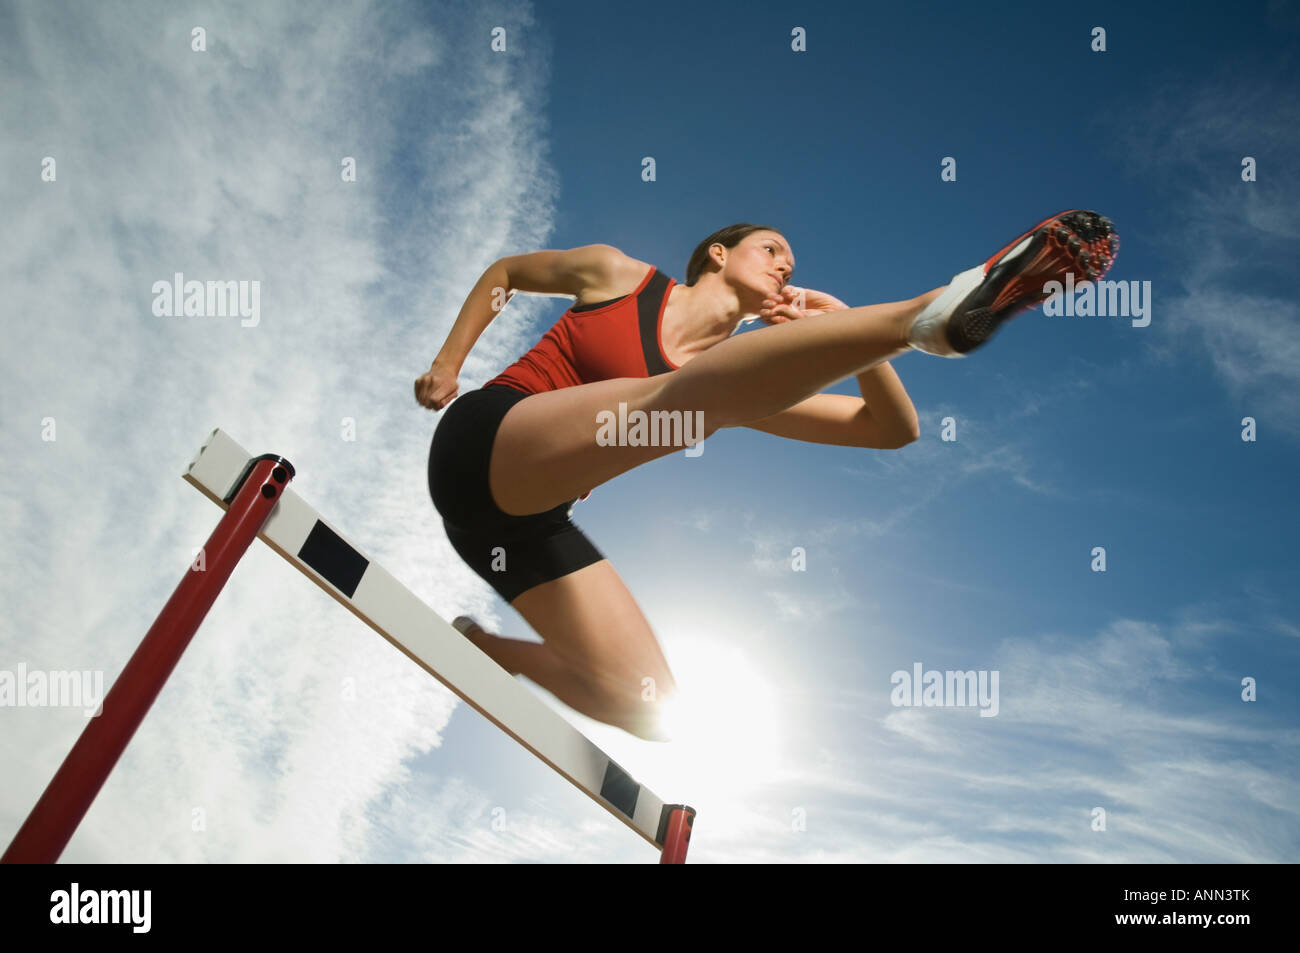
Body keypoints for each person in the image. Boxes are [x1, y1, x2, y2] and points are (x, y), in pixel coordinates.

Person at [416, 211, 1118, 741]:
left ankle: (483, 645)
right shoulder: (617, 276)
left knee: (651, 704)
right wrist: (450, 362)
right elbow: (506, 271)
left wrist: (846, 329)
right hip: (484, 441)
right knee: (691, 404)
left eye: (790, 260)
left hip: (518, 524)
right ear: (718, 254)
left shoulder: (738, 383)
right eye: (772, 249)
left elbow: (891, 431)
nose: (785, 265)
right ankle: (924, 315)